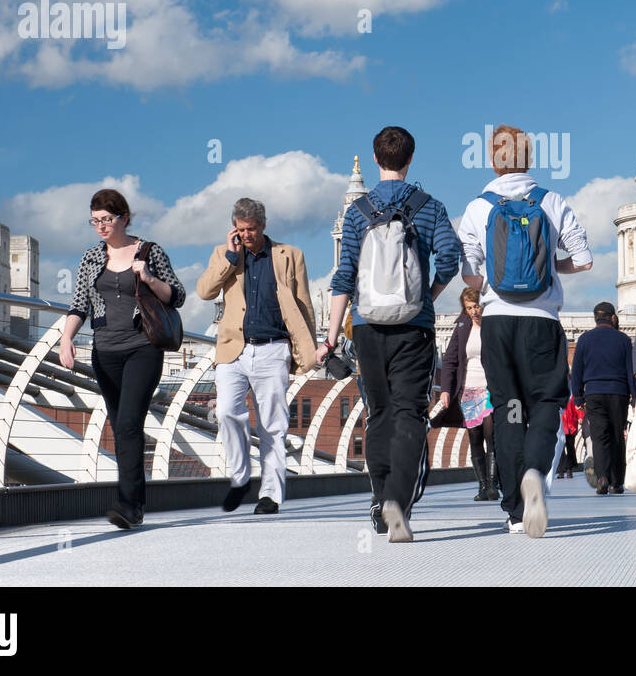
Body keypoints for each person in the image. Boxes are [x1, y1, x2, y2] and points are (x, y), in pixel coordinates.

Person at [320, 126, 459, 543]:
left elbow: (343, 278)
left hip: (366, 327)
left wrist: (330, 339)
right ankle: (399, 498)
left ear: (377, 160)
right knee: (410, 414)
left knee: (378, 414)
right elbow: (450, 258)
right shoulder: (429, 206)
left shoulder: (358, 211)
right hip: (413, 328)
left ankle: (382, 501)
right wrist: (429, 296)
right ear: (410, 159)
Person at [457, 124, 592, 537]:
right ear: (530, 159)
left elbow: (469, 275)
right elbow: (584, 259)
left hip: (497, 322)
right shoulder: (551, 201)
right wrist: (551, 268)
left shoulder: (478, 207)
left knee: (508, 410)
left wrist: (494, 284)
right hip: (542, 322)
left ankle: (515, 509)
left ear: (494, 161)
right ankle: (536, 472)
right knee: (547, 405)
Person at [62, 188, 185, 530]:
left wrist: (147, 278)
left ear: (124, 218)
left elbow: (177, 295)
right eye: (95, 220)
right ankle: (135, 503)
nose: (101, 226)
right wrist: (66, 339)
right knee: (121, 428)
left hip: (142, 347)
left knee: (130, 424)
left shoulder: (150, 251)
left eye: (107, 219)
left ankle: (128, 505)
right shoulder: (90, 258)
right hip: (105, 353)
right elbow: (79, 305)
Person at [196, 198, 319, 516]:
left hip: (273, 348)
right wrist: (229, 257)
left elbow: (304, 304)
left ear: (263, 226)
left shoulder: (289, 256)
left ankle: (270, 496)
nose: (246, 235)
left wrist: (304, 351)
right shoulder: (225, 255)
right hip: (232, 349)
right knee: (225, 412)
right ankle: (239, 478)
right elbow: (204, 291)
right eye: (240, 229)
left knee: (273, 426)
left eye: (251, 229)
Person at [435, 287, 499, 501]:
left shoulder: (493, 325)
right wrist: (445, 390)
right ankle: (482, 486)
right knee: (475, 437)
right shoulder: (462, 327)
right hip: (469, 390)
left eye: (477, 306)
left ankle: (493, 485)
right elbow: (450, 360)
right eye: (469, 308)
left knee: (492, 435)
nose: (474, 311)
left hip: (490, 388)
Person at [571, 302, 635, 494]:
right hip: (618, 392)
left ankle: (602, 477)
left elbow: (577, 371)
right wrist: (633, 396)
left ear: (595, 318)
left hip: (593, 393)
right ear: (613, 317)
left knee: (599, 437)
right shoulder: (623, 339)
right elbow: (629, 369)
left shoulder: (584, 339)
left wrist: (578, 397)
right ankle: (617, 482)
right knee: (617, 436)